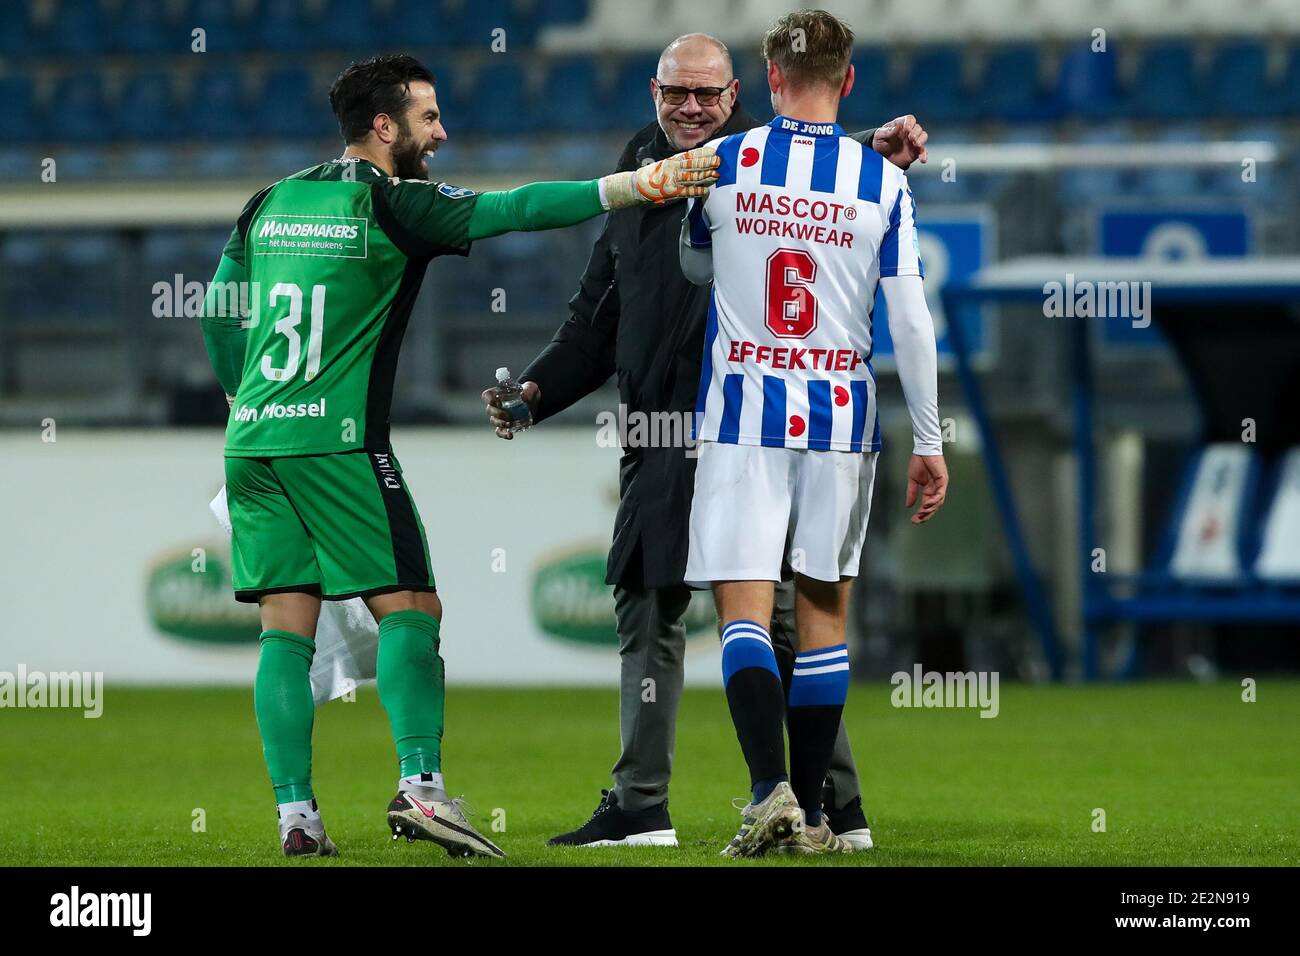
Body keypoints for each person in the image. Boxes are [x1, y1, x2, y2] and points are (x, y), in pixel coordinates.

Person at [199, 53, 718, 859]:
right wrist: (633, 186)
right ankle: (423, 788)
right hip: (338, 445)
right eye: (428, 118)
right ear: (384, 127)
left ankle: (296, 818)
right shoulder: (396, 206)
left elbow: (217, 310)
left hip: (253, 445)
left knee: (285, 629)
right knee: (411, 608)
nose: (441, 133)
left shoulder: (270, 200)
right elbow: (517, 208)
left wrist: (247, 399)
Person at [482, 33, 928, 849]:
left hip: (745, 423)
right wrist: (538, 390)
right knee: (651, 602)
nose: (689, 108)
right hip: (659, 429)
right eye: (674, 93)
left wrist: (871, 145)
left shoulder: (748, 165)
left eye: (707, 96)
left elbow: (811, 176)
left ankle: (829, 801)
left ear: (739, 97)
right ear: (652, 91)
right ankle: (645, 802)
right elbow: (599, 310)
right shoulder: (638, 167)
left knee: (783, 617)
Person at [679, 9, 948, 856]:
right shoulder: (883, 183)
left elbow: (691, 261)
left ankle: (770, 794)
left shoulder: (722, 161)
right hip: (840, 415)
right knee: (825, 614)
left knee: (745, 613)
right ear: (851, 81)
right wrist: (932, 442)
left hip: (741, 416)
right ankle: (823, 816)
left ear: (766, 76)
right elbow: (912, 321)